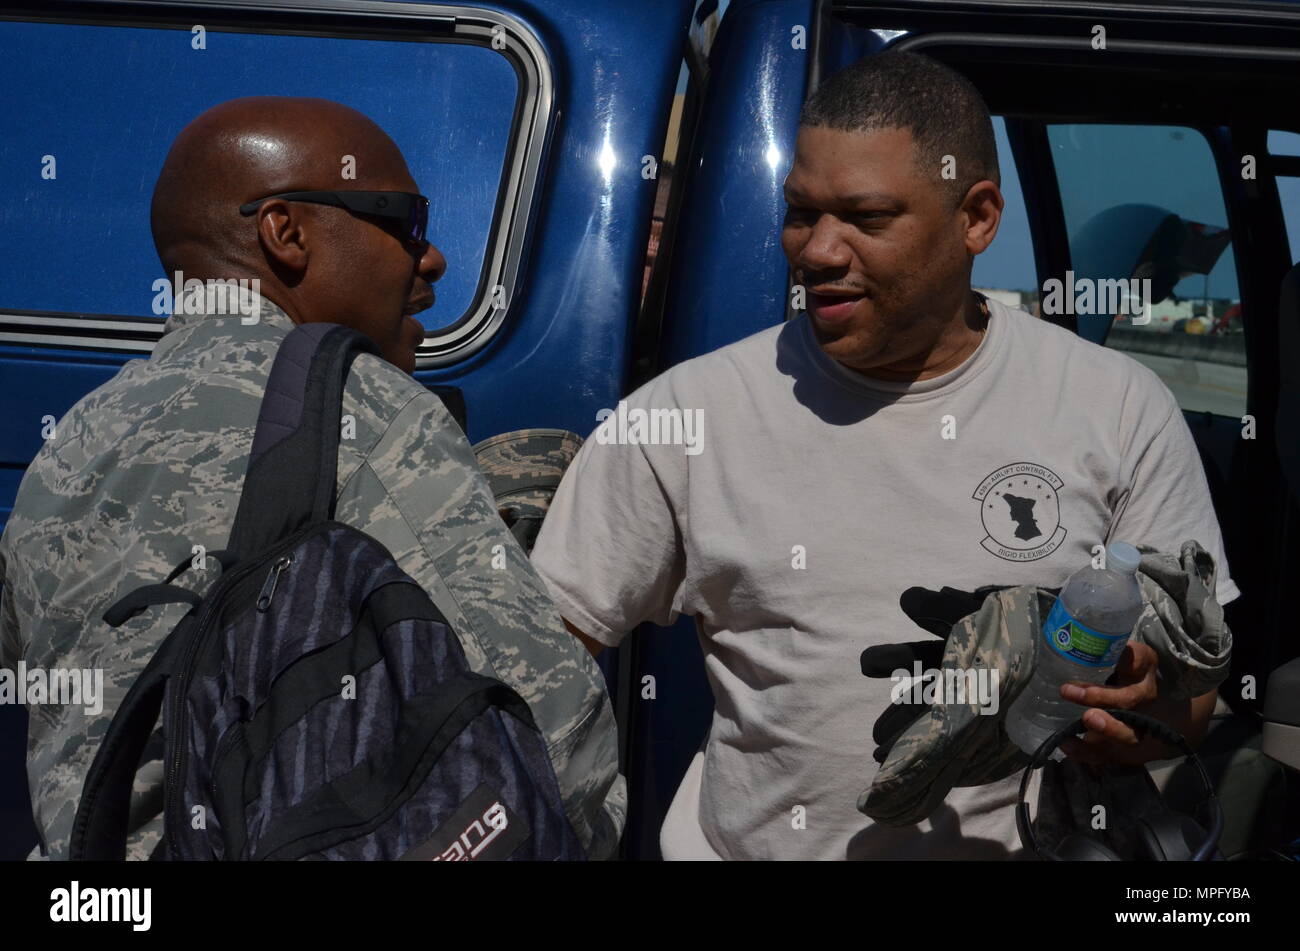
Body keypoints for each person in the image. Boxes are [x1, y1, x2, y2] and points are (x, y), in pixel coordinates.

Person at [530, 52, 1238, 860]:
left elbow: (1192, 702)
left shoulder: (1118, 406)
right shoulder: (680, 419)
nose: (818, 251)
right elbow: (530, 667)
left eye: (866, 218)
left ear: (977, 217)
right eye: (801, 212)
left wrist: (1132, 713)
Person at [0, 97, 623, 860]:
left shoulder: (70, 443)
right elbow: (557, 739)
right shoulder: (364, 406)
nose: (430, 260)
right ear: (285, 233)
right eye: (405, 222)